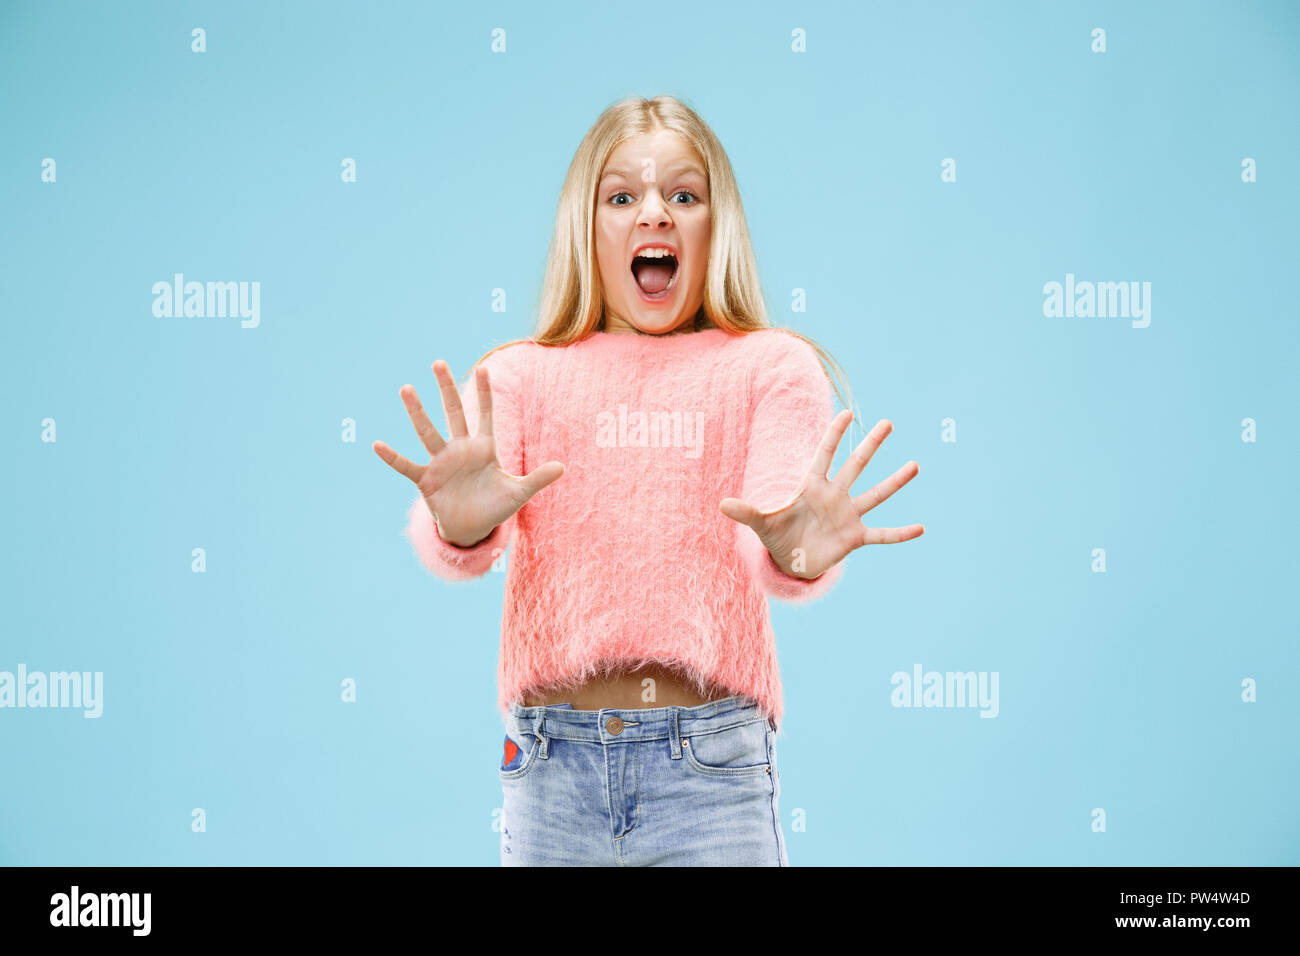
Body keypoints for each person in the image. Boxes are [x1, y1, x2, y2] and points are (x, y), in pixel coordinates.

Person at [373, 95, 924, 866]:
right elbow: (458, 547)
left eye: (684, 195)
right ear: (586, 226)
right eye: (623, 195)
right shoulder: (519, 377)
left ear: (713, 225)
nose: (655, 214)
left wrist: (801, 547)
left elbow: (779, 542)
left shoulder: (769, 368)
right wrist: (459, 524)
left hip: (710, 772)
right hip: (549, 771)